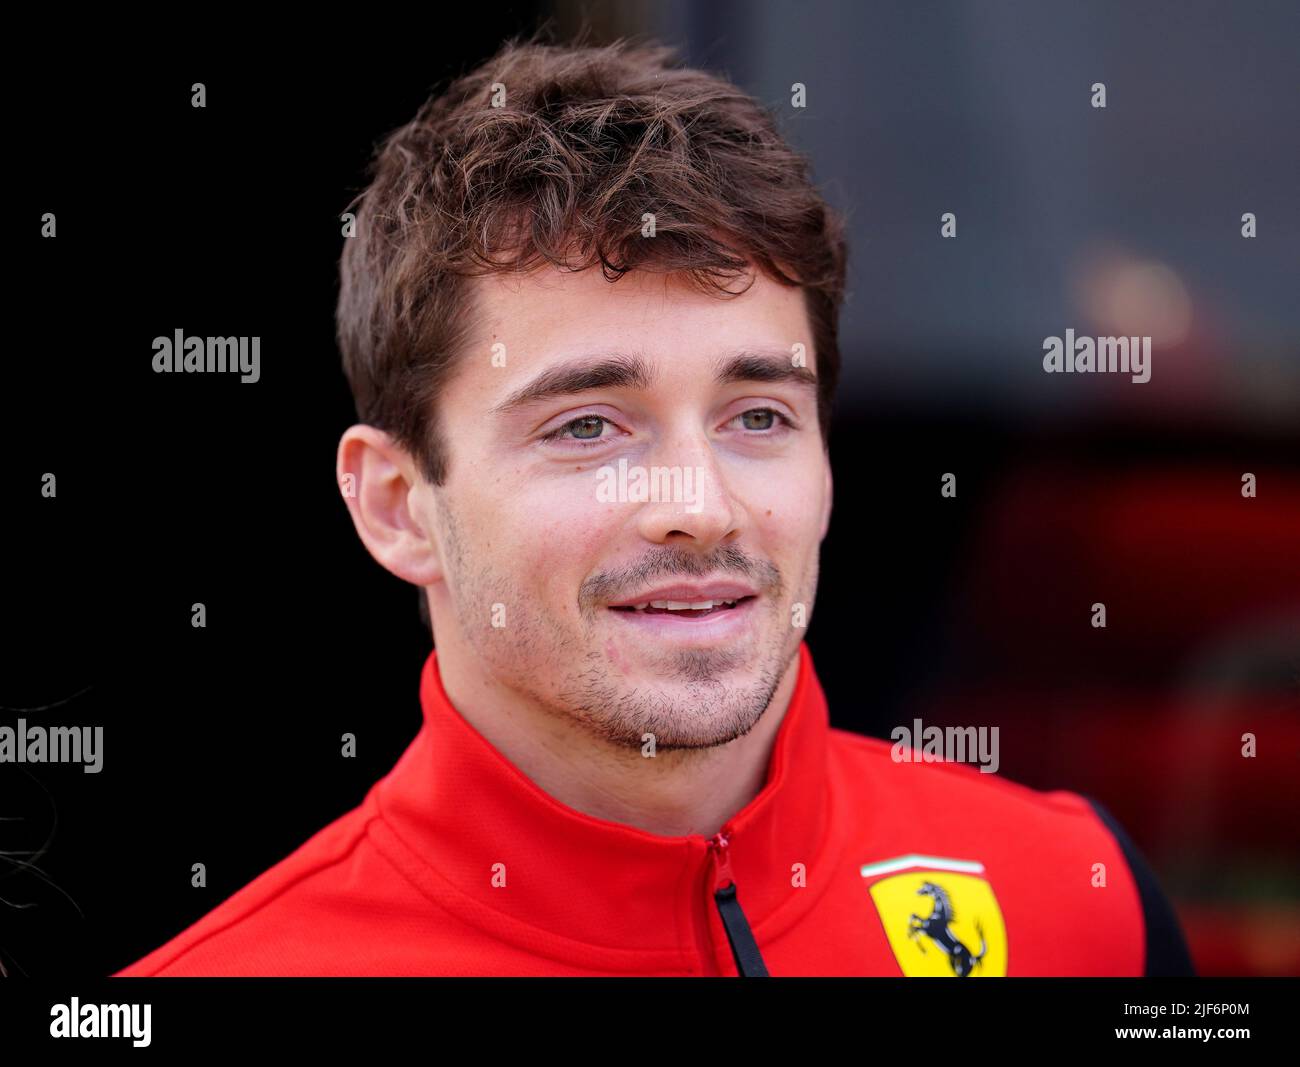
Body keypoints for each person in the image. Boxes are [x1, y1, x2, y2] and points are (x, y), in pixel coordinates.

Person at [112, 35, 1193, 977]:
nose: (699, 508)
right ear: (398, 505)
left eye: (757, 415)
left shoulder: (1079, 907)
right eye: (587, 425)